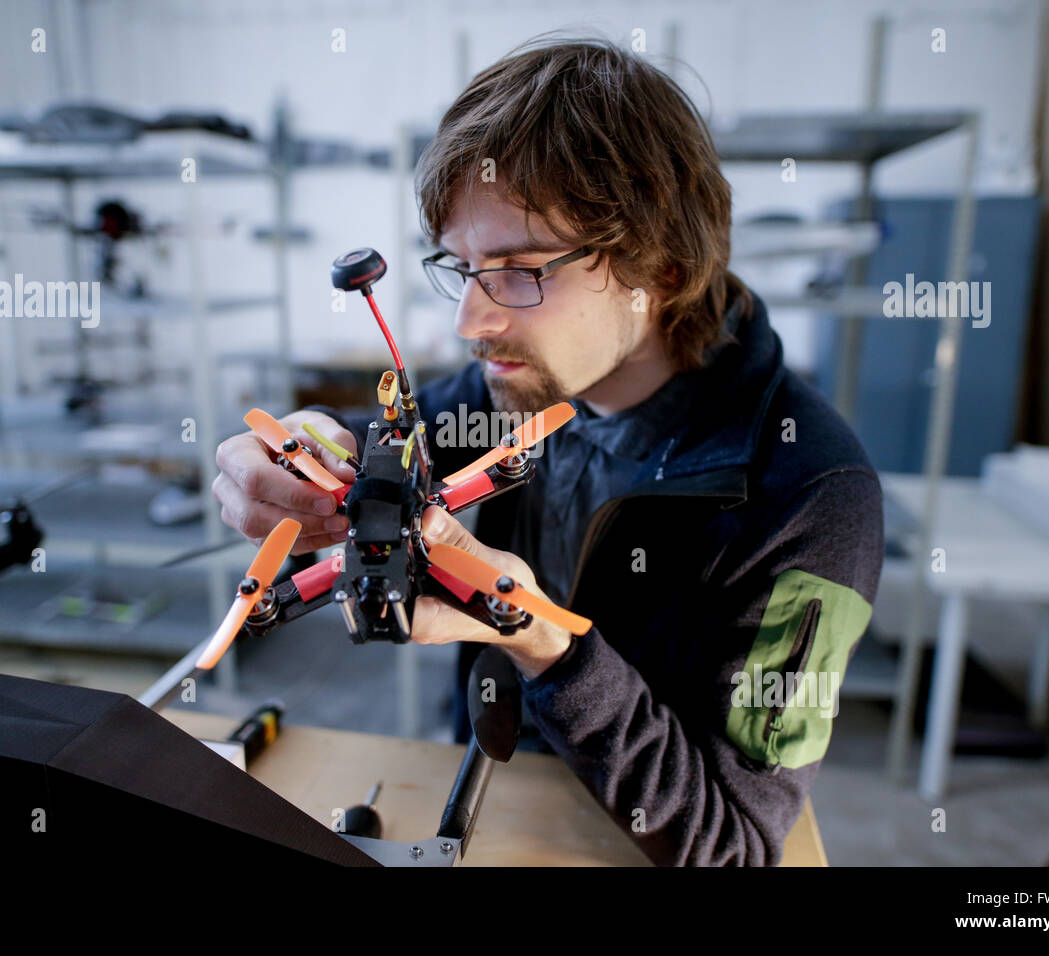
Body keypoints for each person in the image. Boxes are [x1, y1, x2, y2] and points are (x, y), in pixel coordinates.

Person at [212, 35, 883, 866]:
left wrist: (543, 641)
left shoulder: (812, 494)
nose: (469, 322)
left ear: (661, 268)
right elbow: (387, 433)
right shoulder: (512, 389)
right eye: (461, 268)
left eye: (520, 270)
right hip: (479, 800)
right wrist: (302, 443)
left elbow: (733, 846)